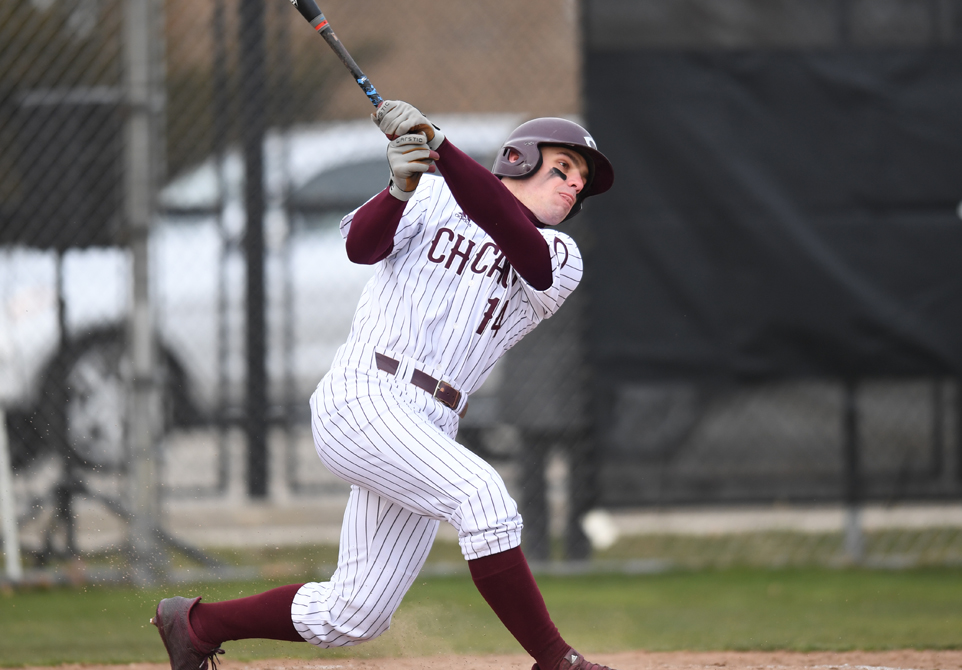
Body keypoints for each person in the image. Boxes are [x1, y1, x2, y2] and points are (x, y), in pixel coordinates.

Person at [151, 100, 617, 670]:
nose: (573, 186)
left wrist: (441, 146)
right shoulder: (433, 194)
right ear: (519, 159)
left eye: (581, 181)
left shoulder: (559, 256)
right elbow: (360, 247)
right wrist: (398, 189)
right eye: (563, 168)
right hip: (365, 394)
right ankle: (555, 660)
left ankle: (195, 625)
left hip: (433, 423)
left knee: (355, 614)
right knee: (482, 498)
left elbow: (506, 229)